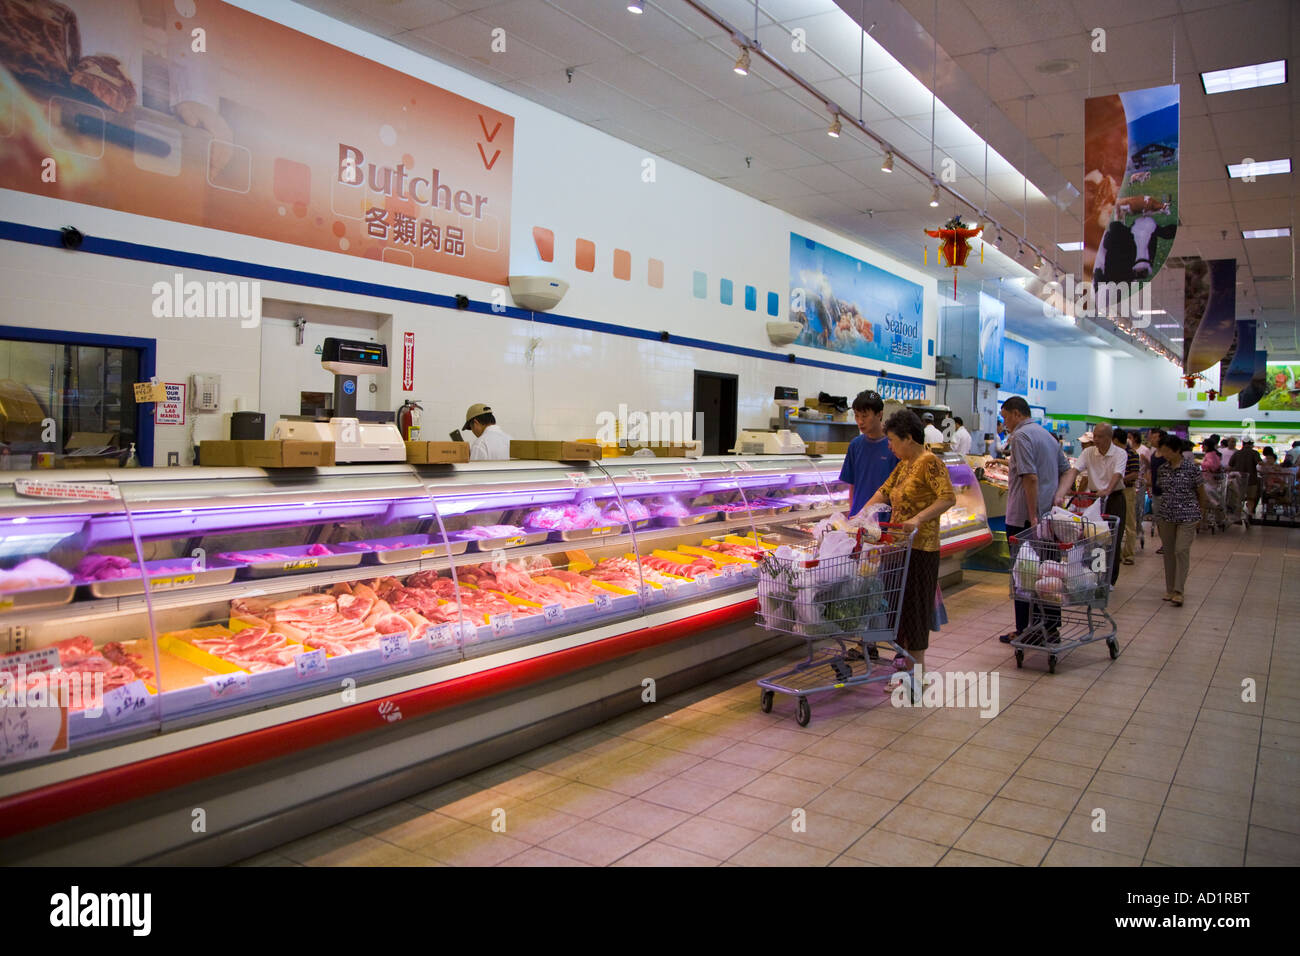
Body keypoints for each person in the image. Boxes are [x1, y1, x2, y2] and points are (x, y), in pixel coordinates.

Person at [861, 410, 955, 672]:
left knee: (915, 610)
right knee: (898, 609)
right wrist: (860, 517)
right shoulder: (904, 464)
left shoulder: (929, 462)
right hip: (899, 546)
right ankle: (905, 663)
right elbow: (884, 492)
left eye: (892, 440)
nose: (889, 446)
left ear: (909, 438)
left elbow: (948, 497)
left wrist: (919, 518)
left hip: (922, 548)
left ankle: (917, 671)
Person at [998, 396, 1070, 644]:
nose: (1004, 422)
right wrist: (1058, 496)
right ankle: (1050, 627)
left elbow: (1029, 478)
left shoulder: (1020, 436)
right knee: (1048, 575)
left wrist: (1032, 515)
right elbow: (1067, 469)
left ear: (1017, 413)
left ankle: (1025, 630)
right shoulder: (1047, 436)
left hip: (1024, 519)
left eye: (1005, 417)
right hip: (1049, 520)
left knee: (1024, 575)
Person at [1057, 422, 1127, 584]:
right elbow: (1074, 471)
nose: (1095, 440)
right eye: (1094, 436)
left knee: (1112, 539)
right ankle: (1097, 575)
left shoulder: (1120, 453)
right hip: (1095, 499)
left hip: (1114, 497)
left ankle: (1110, 580)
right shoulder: (1089, 452)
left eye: (1100, 437)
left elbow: (1117, 474)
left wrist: (1108, 490)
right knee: (1094, 537)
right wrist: (1061, 492)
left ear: (1110, 438)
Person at [1154, 434, 1207, 607]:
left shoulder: (1191, 469)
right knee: (1168, 553)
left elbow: (1201, 493)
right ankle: (1170, 589)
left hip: (1188, 515)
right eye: (1162, 451)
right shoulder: (1163, 469)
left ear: (1177, 450)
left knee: (1181, 550)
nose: (1164, 454)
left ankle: (1179, 591)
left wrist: (1202, 513)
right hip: (1166, 515)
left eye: (1167, 451)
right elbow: (1161, 491)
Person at [839, 390, 898, 518]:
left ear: (879, 414)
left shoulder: (894, 445)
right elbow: (852, 486)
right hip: (859, 520)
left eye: (865, 416)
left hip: (885, 522)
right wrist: (852, 514)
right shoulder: (855, 445)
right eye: (856, 415)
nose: (860, 421)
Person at [1114, 428, 1140, 565]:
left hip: (1127, 490)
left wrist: (1118, 480)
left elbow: (1135, 474)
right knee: (1116, 523)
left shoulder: (1132, 454)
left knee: (1129, 523)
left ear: (1116, 440)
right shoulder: (1114, 454)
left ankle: (1129, 554)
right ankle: (1115, 553)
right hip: (1115, 491)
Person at [1228, 438, 1262, 521]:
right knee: (1251, 498)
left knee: (1238, 499)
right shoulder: (1255, 453)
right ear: (1251, 444)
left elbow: (1230, 466)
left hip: (1238, 480)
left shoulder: (1237, 453)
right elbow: (1260, 463)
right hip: (1252, 479)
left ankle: (1238, 516)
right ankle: (1249, 513)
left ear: (1243, 444)